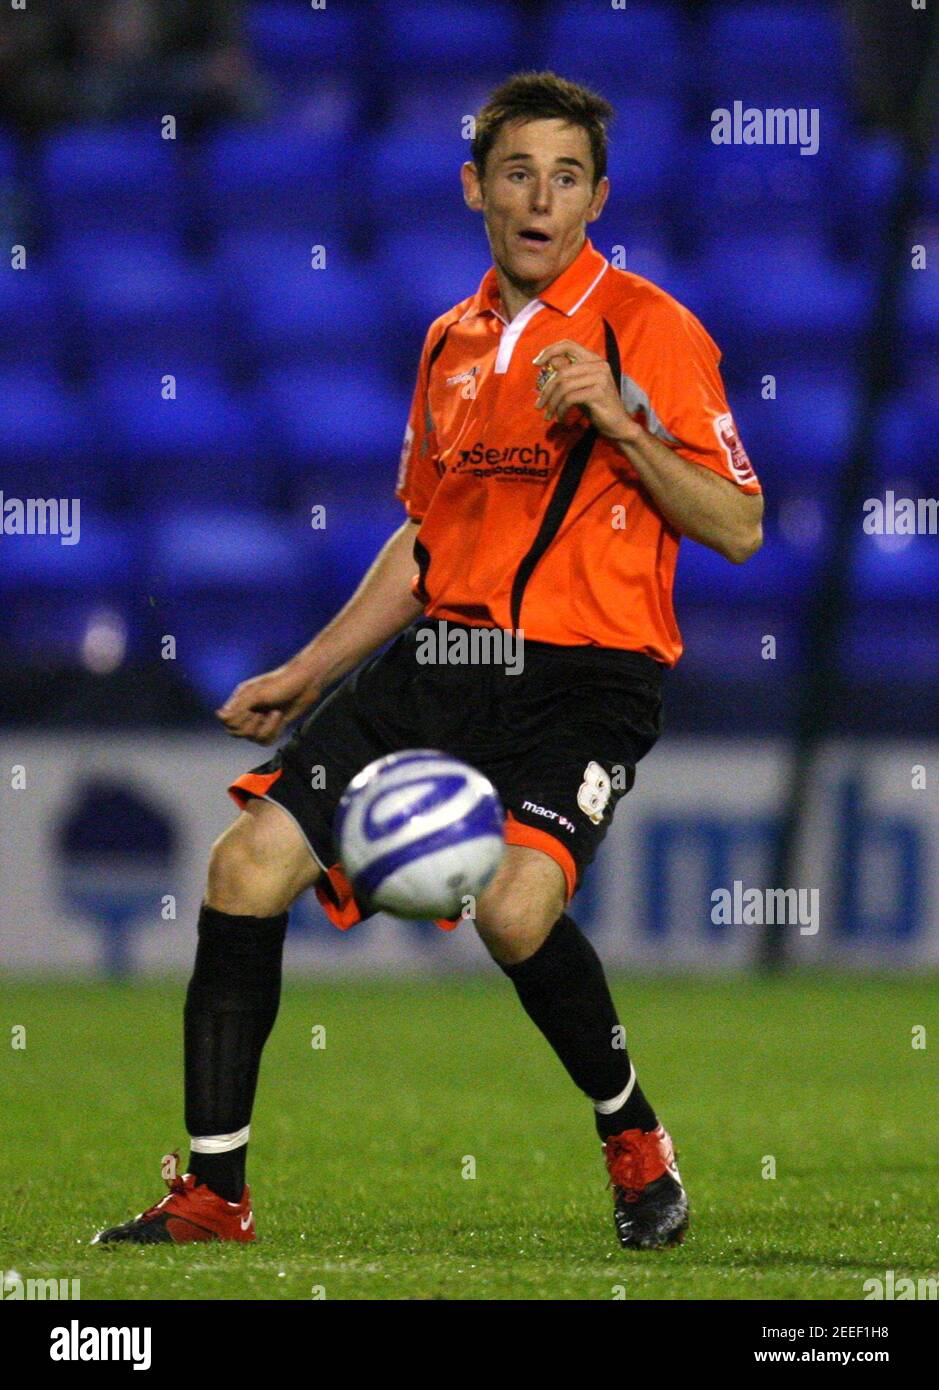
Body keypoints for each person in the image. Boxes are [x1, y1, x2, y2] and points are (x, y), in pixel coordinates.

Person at [93, 71, 762, 1252]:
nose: (540, 198)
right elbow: (424, 540)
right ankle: (213, 1194)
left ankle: (633, 1137)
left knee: (515, 907)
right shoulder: (448, 343)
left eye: (566, 177)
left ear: (597, 196)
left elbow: (739, 524)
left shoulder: (652, 331)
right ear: (476, 189)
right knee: (244, 866)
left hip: (587, 676)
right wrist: (306, 669)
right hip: (442, 665)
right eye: (518, 173)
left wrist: (620, 421)